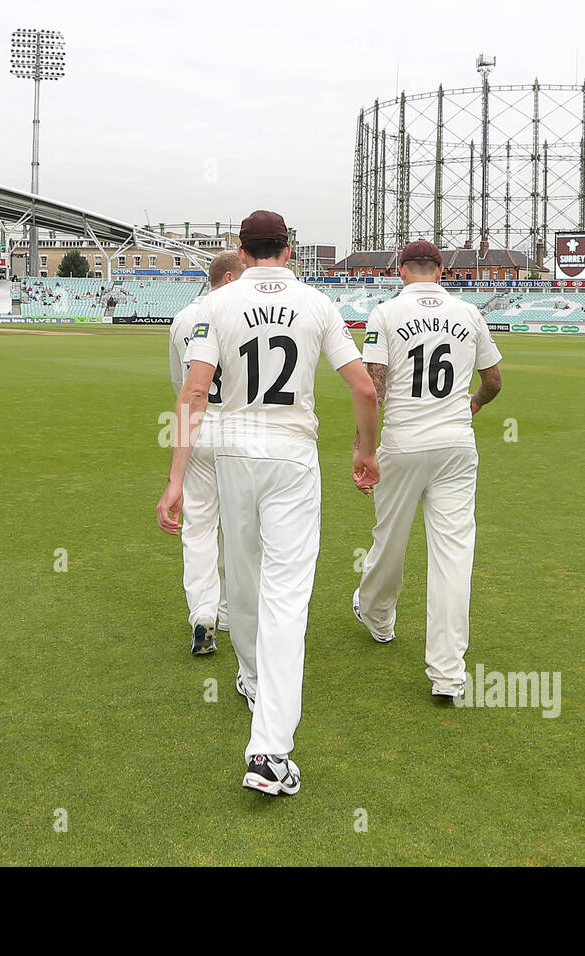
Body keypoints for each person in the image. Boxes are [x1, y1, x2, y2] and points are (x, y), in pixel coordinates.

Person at [157, 210, 380, 796]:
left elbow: (194, 390)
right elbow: (362, 386)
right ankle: (269, 749)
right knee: (286, 595)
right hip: (291, 457)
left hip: (232, 452)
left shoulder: (214, 306)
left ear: (241, 247)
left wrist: (177, 478)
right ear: (286, 248)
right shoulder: (317, 303)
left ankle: (253, 678)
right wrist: (365, 450)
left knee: (245, 579)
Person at [352, 240, 503, 701]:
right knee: (454, 557)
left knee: (390, 540)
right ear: (441, 270)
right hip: (456, 446)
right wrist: (471, 406)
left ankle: (378, 618)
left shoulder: (386, 313)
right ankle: (448, 673)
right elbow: (494, 380)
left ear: (401, 271)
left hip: (402, 443)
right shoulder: (469, 313)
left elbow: (372, 390)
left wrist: (365, 448)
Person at [167, 251, 244, 654]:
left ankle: (203, 612)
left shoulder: (182, 319)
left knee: (198, 528)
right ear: (229, 278)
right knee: (238, 525)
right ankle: (230, 611)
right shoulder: (240, 314)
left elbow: (182, 384)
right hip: (237, 430)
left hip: (197, 430)